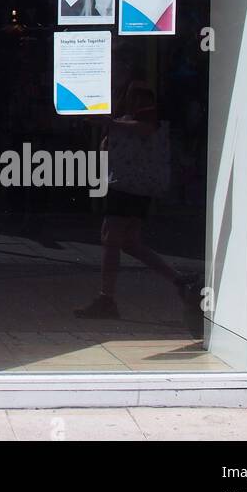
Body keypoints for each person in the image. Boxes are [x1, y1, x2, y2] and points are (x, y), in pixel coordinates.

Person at [75, 80, 200, 320]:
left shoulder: (144, 118)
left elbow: (146, 129)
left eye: (139, 94)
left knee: (111, 238)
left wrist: (111, 125)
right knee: (129, 242)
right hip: (133, 186)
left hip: (127, 186)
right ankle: (179, 280)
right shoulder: (129, 119)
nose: (134, 99)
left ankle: (106, 298)